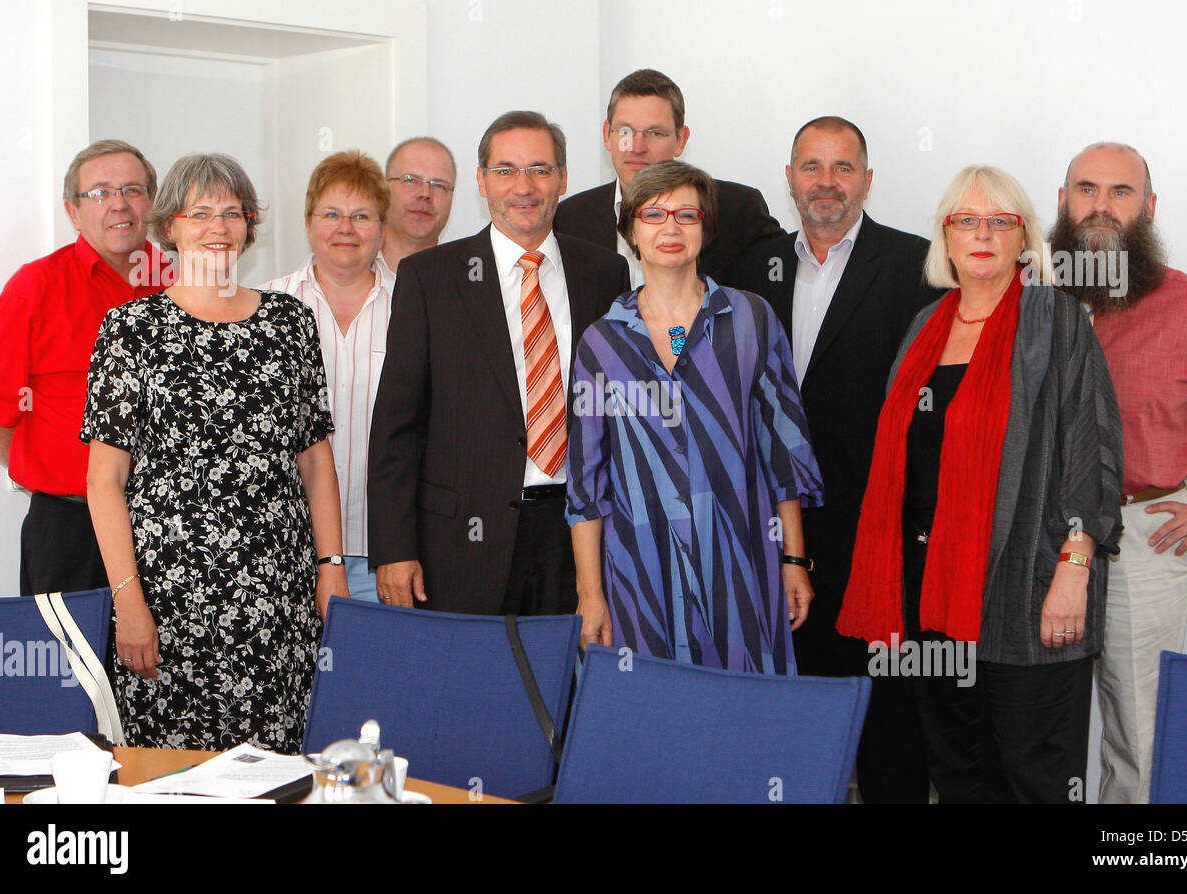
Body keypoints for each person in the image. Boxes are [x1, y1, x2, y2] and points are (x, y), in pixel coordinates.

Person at [838, 165, 1124, 803]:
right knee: (961, 773)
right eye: (966, 221)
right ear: (946, 237)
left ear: (1024, 238)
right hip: (931, 596)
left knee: (1036, 779)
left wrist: (1075, 570)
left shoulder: (1056, 321)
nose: (983, 234)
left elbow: (1093, 452)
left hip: (1028, 591)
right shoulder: (925, 328)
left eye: (1001, 220)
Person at [83, 153, 348, 752]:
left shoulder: (289, 322)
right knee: (172, 777)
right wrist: (129, 602)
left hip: (277, 595)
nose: (218, 227)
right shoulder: (131, 330)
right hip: (167, 599)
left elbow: (315, 459)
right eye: (200, 212)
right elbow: (105, 481)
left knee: (277, 770)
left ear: (250, 226)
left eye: (233, 213)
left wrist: (330, 568)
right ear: (169, 226)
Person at [1049, 142, 1187, 804]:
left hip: (1141, 541)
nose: (1102, 206)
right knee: (1034, 722)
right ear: (1063, 204)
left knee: (1138, 731)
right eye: (1086, 189)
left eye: (1120, 192)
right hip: (1036, 540)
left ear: (1148, 209)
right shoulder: (1031, 301)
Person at [740, 116, 941, 799]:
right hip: (772, 532)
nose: (826, 182)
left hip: (878, 535)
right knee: (789, 716)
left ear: (868, 179)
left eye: (843, 167)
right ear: (791, 177)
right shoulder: (750, 269)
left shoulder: (918, 266)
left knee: (889, 724)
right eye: (811, 166)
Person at [368, 111, 629, 616]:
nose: (524, 186)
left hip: (581, 535)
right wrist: (395, 550)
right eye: (506, 170)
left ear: (564, 177)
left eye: (540, 169)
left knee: (567, 689)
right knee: (469, 690)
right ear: (483, 181)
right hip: (461, 541)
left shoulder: (604, 272)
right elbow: (397, 428)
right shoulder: (431, 278)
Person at [567, 160, 823, 674]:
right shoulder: (601, 343)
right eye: (653, 214)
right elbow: (586, 483)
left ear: (705, 229)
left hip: (744, 562)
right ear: (631, 231)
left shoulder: (751, 319)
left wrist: (793, 560)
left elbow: (784, 449)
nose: (670, 228)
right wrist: (590, 595)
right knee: (654, 722)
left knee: (748, 715)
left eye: (687, 214)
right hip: (640, 570)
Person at [0, 139, 168, 596]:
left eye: (132, 190)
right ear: (73, 211)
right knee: (69, 666)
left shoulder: (182, 287)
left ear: (153, 203)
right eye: (99, 192)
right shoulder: (35, 288)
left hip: (169, 529)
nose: (118, 204)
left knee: (165, 668)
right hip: (70, 532)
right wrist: (55, 473)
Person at [260, 150, 395, 603]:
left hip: (385, 554)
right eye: (331, 214)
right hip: (287, 548)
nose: (346, 229)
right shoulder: (265, 308)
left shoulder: (416, 307)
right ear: (307, 222)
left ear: (382, 228)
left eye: (362, 216)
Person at [554, 69, 783, 290]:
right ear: (607, 135)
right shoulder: (569, 219)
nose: (637, 147)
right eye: (625, 131)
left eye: (655, 133)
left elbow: (781, 279)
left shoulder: (738, 209)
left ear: (681, 140)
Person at [382, 137, 456, 271]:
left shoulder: (468, 282)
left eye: (439, 185)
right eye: (410, 180)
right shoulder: (343, 268)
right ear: (385, 189)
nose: (425, 193)